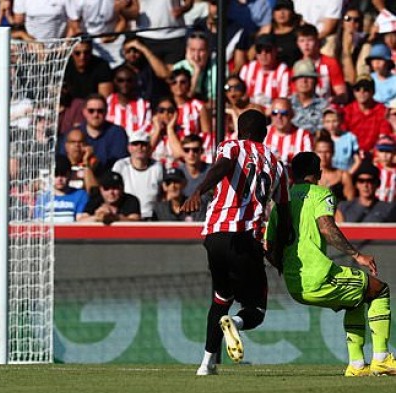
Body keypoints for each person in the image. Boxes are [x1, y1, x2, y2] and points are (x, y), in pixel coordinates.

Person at [266, 152, 396, 376]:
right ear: (319, 173)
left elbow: (268, 247)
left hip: (295, 285)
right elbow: (326, 227)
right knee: (379, 290)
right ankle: (382, 358)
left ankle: (357, 365)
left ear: (291, 174)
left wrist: (282, 265)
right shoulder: (320, 193)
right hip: (320, 276)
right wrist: (357, 255)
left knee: (355, 301)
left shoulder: (281, 203)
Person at [181, 109, 291, 375]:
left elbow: (224, 165)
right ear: (264, 132)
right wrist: (276, 252)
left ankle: (206, 364)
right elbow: (284, 213)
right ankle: (235, 323)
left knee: (221, 297)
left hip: (215, 237)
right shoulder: (277, 163)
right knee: (256, 310)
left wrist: (198, 190)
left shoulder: (229, 146)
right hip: (246, 240)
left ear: (239, 131)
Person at [112, 131, 164, 220]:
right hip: (126, 216)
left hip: (150, 217)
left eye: (143, 144)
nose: (139, 147)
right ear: (129, 148)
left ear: (149, 148)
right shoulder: (120, 165)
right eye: (135, 144)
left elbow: (162, 194)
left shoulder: (157, 167)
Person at [33, 155, 89, 223]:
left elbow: (80, 221)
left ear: (70, 174)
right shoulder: (42, 197)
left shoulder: (80, 195)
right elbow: (38, 222)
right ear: (50, 175)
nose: (59, 179)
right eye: (56, 175)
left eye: (63, 175)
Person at [264, 98, 313, 164]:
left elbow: (308, 163)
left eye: (284, 113)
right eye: (275, 113)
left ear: (291, 114)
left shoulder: (304, 135)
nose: (279, 117)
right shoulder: (263, 132)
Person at [289, 59, 327, 134]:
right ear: (295, 81)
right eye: (300, 77)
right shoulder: (286, 105)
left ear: (315, 81)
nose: (304, 80)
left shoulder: (325, 106)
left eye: (308, 77)